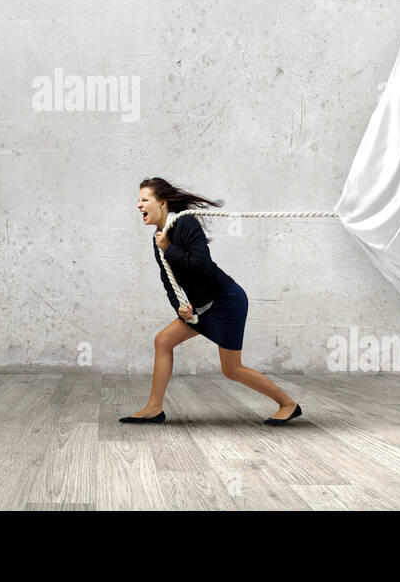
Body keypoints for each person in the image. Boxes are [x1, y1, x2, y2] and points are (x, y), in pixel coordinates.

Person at [121, 177, 302, 425]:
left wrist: (169, 247)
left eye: (144, 200)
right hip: (201, 308)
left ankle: (288, 404)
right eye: (137, 201)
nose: (138, 205)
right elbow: (167, 278)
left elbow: (202, 265)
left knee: (231, 370)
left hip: (227, 302)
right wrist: (179, 307)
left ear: (162, 203)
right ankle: (154, 408)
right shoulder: (159, 237)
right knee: (163, 341)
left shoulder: (185, 223)